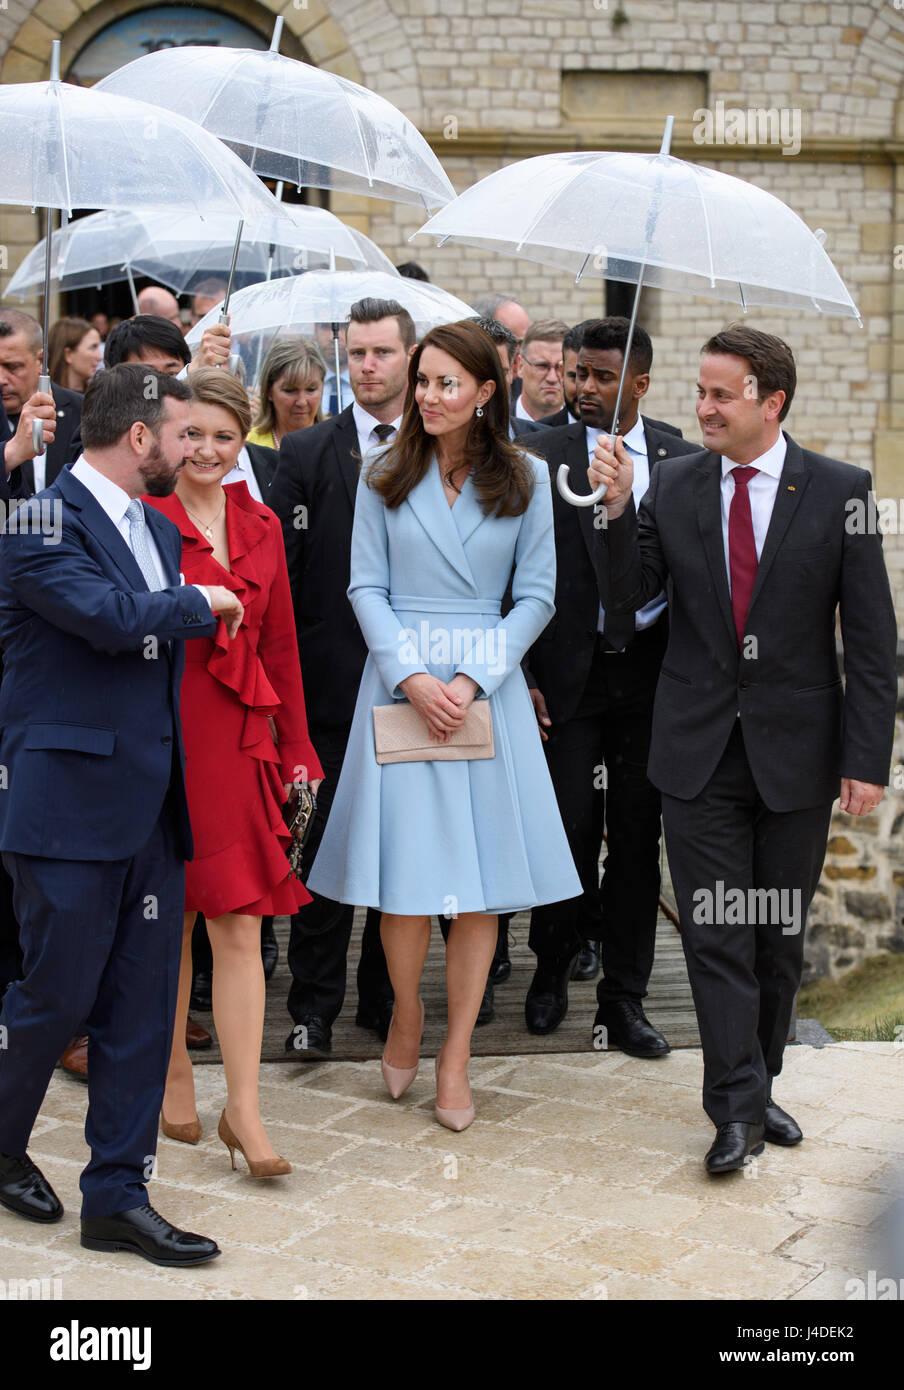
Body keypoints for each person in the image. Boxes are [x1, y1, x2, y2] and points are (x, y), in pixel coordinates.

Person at [589, 324, 898, 1174]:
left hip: (798, 756)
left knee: (775, 936)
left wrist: (866, 758)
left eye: (721, 395)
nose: (703, 408)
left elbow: (871, 639)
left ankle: (760, 1083)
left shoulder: (844, 488)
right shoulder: (676, 485)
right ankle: (732, 1109)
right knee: (716, 933)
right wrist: (615, 512)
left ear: (773, 403)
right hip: (695, 752)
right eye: (699, 391)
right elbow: (627, 607)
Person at [307, 319, 580, 1131]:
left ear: (486, 393)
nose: (427, 396)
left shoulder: (528, 477)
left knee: (482, 886)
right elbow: (363, 587)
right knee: (405, 881)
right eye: (421, 381)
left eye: (444, 383)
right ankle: (403, 1018)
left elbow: (538, 597)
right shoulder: (382, 472)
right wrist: (413, 676)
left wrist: (469, 679)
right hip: (398, 686)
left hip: (483, 690)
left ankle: (456, 1052)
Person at [0, 363, 243, 1263]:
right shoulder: (32, 515)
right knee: (54, 997)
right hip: (64, 804)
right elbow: (103, 616)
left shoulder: (155, 524)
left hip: (150, 802)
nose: (196, 452)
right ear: (141, 437)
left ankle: (116, 1195)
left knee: (145, 1008)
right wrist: (200, 603)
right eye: (183, 437)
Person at [145, 368, 322, 1174]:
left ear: (242, 439)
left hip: (243, 741)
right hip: (162, 734)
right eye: (192, 435)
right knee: (171, 916)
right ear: (164, 435)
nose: (207, 450)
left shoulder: (261, 523)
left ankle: (244, 1109)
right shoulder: (142, 517)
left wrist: (298, 747)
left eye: (223, 436)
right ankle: (174, 1069)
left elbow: (281, 641)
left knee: (241, 921)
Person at [523, 317, 699, 1044]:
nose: (583, 388)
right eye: (575, 374)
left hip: (652, 676)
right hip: (567, 672)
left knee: (635, 837)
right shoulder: (535, 455)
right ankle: (551, 961)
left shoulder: (684, 463)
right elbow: (512, 574)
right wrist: (525, 673)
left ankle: (624, 997)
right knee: (565, 825)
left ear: (641, 383)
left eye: (600, 375)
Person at [270, 298, 415, 1056]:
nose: (367, 366)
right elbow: (286, 588)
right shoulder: (304, 455)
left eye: (382, 353)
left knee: (397, 856)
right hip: (326, 686)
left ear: (409, 358)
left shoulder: (437, 451)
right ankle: (311, 1011)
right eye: (356, 353)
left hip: (410, 686)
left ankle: (384, 1004)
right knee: (322, 854)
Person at [0, 309, 82, 502]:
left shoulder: (82, 411)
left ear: (40, 360)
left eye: (12, 367)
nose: (1, 379)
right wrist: (10, 455)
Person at [248, 337, 327, 451]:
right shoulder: (248, 446)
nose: (301, 402)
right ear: (269, 391)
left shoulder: (337, 444)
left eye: (311, 389)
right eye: (290, 390)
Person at [513, 319, 568, 423]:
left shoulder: (586, 429)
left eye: (561, 367)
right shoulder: (497, 423)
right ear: (520, 366)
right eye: (542, 366)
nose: (552, 378)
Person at [47, 317, 103, 394]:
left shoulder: (99, 397)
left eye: (98, 347)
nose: (100, 356)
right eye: (93, 347)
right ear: (68, 355)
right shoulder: (45, 400)